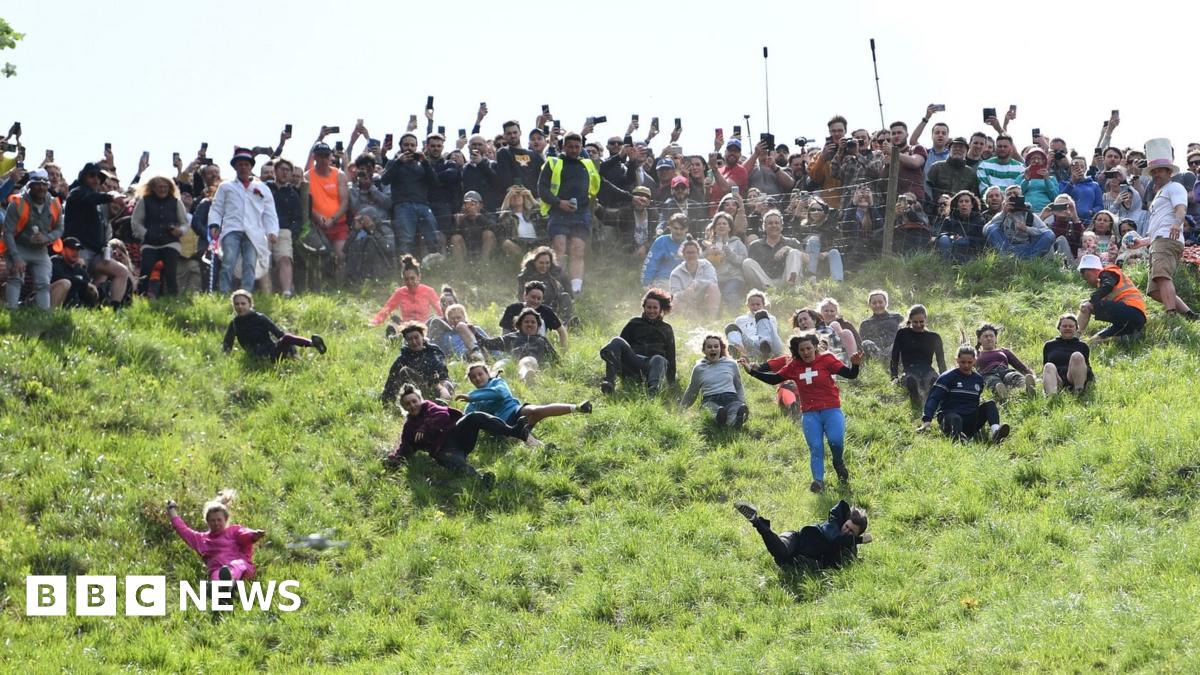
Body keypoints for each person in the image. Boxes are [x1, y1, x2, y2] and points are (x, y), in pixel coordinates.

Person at [741, 333, 864, 491]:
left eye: (808, 348)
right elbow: (774, 379)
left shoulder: (827, 359)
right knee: (816, 447)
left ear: (815, 347)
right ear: (796, 351)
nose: (806, 352)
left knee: (835, 441)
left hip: (831, 410)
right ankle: (818, 482)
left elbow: (850, 375)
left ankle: (838, 462)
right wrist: (751, 371)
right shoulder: (794, 366)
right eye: (802, 350)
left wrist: (855, 365)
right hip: (810, 413)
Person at [385, 383, 533, 486]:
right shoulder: (409, 428)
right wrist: (395, 458)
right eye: (408, 404)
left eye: (414, 401)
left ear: (419, 400)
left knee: (474, 416)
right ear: (404, 408)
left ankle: (514, 431)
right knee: (451, 460)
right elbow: (405, 446)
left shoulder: (430, 407)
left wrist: (425, 428)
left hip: (458, 435)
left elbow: (442, 414)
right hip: (443, 449)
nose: (412, 405)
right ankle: (481, 480)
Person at [1125, 139, 1197, 318]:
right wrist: (1141, 242)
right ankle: (1189, 314)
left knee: (1162, 277)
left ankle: (1170, 314)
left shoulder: (1175, 186)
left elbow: (1181, 208)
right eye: (1154, 171)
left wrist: (1177, 223)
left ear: (1169, 171)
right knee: (1155, 290)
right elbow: (1158, 226)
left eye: (1160, 170)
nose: (1156, 174)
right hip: (1159, 239)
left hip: (1167, 239)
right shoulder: (1160, 193)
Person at [460, 362, 589, 444]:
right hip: (501, 427)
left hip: (515, 411)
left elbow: (500, 393)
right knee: (523, 439)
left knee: (535, 410)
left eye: (480, 374)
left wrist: (472, 397)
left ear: (487, 374)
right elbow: (467, 422)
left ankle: (577, 407)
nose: (477, 378)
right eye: (473, 377)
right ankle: (538, 446)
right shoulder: (470, 403)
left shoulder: (497, 383)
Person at [209, 148, 280, 293]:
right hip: (231, 229)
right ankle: (224, 293)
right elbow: (216, 208)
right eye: (240, 164)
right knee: (228, 261)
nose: (243, 167)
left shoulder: (262, 188)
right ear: (235, 166)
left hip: (254, 232)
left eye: (246, 164)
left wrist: (272, 230)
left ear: (251, 167)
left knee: (250, 263)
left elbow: (269, 212)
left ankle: (246, 295)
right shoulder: (225, 186)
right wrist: (214, 224)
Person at [538, 132, 600, 295]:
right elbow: (542, 189)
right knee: (559, 247)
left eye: (577, 147)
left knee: (577, 249)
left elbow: (599, 186)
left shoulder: (587, 164)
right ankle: (555, 286)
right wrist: (559, 203)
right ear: (563, 147)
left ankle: (576, 290)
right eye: (570, 147)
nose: (574, 150)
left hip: (581, 213)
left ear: (581, 147)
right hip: (558, 212)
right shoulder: (553, 162)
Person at [733, 499, 871, 570]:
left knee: (783, 560)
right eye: (847, 526)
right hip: (795, 539)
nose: (846, 531)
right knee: (782, 551)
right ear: (844, 521)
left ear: (856, 534)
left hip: (802, 558)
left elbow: (839, 566)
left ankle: (757, 521)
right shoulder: (834, 523)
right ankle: (755, 520)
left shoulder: (849, 547)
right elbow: (835, 539)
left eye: (851, 531)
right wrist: (858, 540)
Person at [63, 162, 131, 305]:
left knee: (121, 272)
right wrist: (111, 197)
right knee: (78, 283)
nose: (96, 179)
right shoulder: (76, 193)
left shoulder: (98, 202)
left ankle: (114, 308)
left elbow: (109, 215)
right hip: (78, 251)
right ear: (83, 177)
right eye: (92, 175)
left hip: (96, 252)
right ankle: (76, 307)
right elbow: (90, 198)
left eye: (99, 177)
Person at [917, 346, 1011, 443]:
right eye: (963, 362)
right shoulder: (947, 377)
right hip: (950, 418)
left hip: (970, 419)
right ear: (957, 360)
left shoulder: (978, 379)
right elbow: (934, 398)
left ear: (975, 361)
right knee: (956, 418)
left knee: (990, 404)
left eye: (969, 362)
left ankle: (996, 433)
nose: (966, 365)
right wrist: (927, 420)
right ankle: (958, 439)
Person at [166, 489, 265, 581]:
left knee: (237, 565)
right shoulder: (202, 539)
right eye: (212, 520)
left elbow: (244, 535)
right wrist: (171, 510)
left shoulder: (234, 531)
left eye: (219, 520)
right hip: (218, 570)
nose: (216, 523)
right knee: (216, 574)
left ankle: (228, 581)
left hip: (242, 569)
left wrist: (254, 535)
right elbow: (182, 529)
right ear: (207, 522)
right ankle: (222, 588)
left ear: (225, 520)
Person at [4, 169, 63, 310]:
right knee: (15, 278)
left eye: (44, 184)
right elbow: (8, 232)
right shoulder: (17, 203)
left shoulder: (55, 204)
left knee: (43, 282)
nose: (41, 187)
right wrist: (16, 258)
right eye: (37, 184)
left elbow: (60, 229)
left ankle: (43, 314)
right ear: (30, 185)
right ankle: (11, 312)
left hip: (40, 250)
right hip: (19, 246)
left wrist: (46, 237)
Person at [600, 288, 676, 396]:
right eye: (649, 307)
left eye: (655, 308)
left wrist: (672, 382)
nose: (651, 311)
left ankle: (653, 392)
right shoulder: (634, 323)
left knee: (659, 359)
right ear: (644, 307)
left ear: (660, 309)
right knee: (617, 341)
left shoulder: (666, 328)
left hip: (654, 366)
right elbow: (622, 346)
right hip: (635, 361)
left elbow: (671, 356)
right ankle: (609, 382)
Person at [222, 289, 326, 360]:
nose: (240, 306)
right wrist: (224, 359)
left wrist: (293, 353)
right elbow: (227, 344)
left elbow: (279, 334)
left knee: (287, 337)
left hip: (271, 353)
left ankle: (314, 344)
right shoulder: (234, 323)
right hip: (254, 356)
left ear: (250, 304)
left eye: (243, 303)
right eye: (237, 304)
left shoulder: (260, 318)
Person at [381, 133, 440, 256]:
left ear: (417, 146)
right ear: (401, 146)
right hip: (403, 206)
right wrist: (398, 162)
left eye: (413, 145)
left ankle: (436, 267)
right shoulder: (393, 163)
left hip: (423, 205)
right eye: (406, 144)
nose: (409, 148)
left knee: (433, 237)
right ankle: (406, 270)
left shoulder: (422, 162)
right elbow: (384, 180)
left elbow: (435, 182)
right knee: (406, 240)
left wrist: (425, 163)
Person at [131, 175, 189, 298]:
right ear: (153, 188)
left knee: (170, 272)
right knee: (146, 269)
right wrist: (145, 233)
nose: (163, 190)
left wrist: (180, 231)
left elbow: (185, 222)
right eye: (160, 187)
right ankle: (140, 297)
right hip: (150, 243)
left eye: (165, 187)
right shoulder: (145, 201)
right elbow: (136, 221)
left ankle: (172, 300)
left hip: (170, 242)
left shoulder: (175, 202)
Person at [679, 334, 748, 427]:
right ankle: (720, 418)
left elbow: (738, 386)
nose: (713, 349)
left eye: (716, 346)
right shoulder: (699, 368)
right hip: (710, 400)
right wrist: (681, 409)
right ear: (704, 350)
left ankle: (736, 419)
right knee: (714, 411)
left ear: (721, 349)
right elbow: (692, 391)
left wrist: (742, 401)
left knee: (734, 409)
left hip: (730, 397)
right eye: (709, 347)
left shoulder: (731, 364)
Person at [479, 307, 560, 384]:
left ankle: (527, 379)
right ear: (520, 324)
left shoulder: (542, 340)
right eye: (526, 322)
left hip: (532, 363)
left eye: (533, 322)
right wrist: (474, 332)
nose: (529, 324)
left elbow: (556, 360)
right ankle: (491, 380)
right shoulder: (512, 337)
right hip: (512, 362)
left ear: (538, 326)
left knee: (527, 360)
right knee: (501, 363)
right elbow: (488, 343)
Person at [1076, 254, 1147, 341]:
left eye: (1087, 277)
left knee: (1085, 306)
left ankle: (1072, 337)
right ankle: (1129, 336)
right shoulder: (1110, 283)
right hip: (1137, 318)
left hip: (1130, 310)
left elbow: (1108, 286)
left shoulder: (1107, 273)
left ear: (1095, 270)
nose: (1088, 281)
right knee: (1094, 341)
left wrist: (1091, 301)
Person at [306, 143, 351, 278]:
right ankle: (321, 287)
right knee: (320, 258)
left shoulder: (339, 174)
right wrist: (319, 218)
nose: (323, 159)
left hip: (338, 224)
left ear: (331, 156)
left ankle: (340, 288)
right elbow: (307, 203)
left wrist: (332, 219)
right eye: (320, 156)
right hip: (317, 225)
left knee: (341, 256)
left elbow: (345, 202)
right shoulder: (307, 177)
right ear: (314, 157)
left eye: (326, 155)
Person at [381, 321, 454, 404]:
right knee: (404, 371)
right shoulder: (403, 358)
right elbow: (391, 382)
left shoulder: (434, 352)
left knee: (447, 384)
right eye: (410, 339)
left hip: (439, 386)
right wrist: (386, 401)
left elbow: (443, 374)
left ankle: (442, 405)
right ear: (406, 341)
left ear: (422, 336)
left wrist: (442, 390)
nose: (414, 342)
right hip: (419, 392)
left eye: (416, 337)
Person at [890, 304, 946, 408]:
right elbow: (895, 356)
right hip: (909, 370)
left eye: (921, 322)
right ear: (909, 320)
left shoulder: (934, 337)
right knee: (911, 381)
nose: (918, 325)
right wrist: (894, 376)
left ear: (926, 320)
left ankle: (932, 401)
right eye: (915, 322)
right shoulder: (902, 333)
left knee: (934, 381)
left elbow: (941, 361)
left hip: (927, 370)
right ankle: (916, 398)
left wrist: (945, 378)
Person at [369, 254, 442, 326]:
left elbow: (440, 309)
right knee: (394, 321)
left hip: (425, 328)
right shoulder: (400, 293)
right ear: (403, 279)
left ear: (419, 277)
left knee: (434, 320)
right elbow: (387, 309)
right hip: (407, 328)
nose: (410, 282)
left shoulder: (429, 291)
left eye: (412, 278)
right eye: (406, 279)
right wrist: (375, 322)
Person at [498, 280, 568, 352]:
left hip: (538, 348)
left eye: (539, 299)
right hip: (515, 347)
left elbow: (562, 331)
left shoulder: (547, 312)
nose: (535, 301)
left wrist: (563, 352)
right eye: (533, 297)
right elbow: (505, 333)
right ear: (525, 296)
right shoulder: (512, 309)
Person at [742, 210, 803, 289]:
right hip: (765, 282)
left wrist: (787, 249)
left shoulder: (792, 242)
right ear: (764, 227)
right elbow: (752, 271)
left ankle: (790, 286)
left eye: (777, 223)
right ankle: (771, 291)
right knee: (747, 262)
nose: (774, 225)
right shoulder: (755, 245)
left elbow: (808, 260)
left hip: (785, 279)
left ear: (781, 226)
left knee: (794, 252)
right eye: (770, 223)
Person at [974, 323, 1035, 400]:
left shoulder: (1004, 351)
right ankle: (1002, 394)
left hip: (1005, 371)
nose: (989, 338)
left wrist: (1031, 375)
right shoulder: (975, 355)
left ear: (995, 338)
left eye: (991, 336)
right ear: (979, 339)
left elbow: (1019, 365)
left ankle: (1027, 388)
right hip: (988, 374)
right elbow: (966, 367)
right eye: (985, 336)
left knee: (1014, 376)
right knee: (994, 382)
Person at [516, 246, 573, 325]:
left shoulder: (556, 273)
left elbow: (569, 291)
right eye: (541, 263)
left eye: (547, 263)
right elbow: (521, 297)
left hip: (554, 305)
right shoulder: (526, 276)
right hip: (533, 306)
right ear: (534, 262)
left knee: (565, 296)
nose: (544, 266)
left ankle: (565, 323)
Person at [702, 212, 749, 309]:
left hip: (733, 277)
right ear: (714, 228)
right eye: (718, 224)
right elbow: (699, 261)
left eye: (724, 224)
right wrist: (707, 253)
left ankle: (733, 316)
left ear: (729, 228)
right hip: (715, 278)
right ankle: (713, 319)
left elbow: (744, 261)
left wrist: (730, 254)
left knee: (729, 292)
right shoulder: (709, 244)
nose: (721, 226)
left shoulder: (737, 242)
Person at [724, 288, 784, 360]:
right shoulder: (740, 320)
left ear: (763, 305)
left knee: (761, 314)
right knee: (731, 327)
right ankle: (738, 350)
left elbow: (774, 335)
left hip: (771, 346)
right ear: (748, 305)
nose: (755, 307)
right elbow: (737, 335)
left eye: (758, 304)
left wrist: (762, 316)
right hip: (751, 347)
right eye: (752, 304)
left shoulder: (771, 318)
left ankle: (765, 346)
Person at [669, 238, 721, 319]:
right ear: (683, 254)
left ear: (698, 253)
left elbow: (713, 281)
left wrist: (696, 283)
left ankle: (712, 319)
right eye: (688, 253)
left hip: (704, 299)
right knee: (674, 301)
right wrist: (685, 293)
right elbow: (674, 294)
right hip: (687, 302)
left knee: (713, 287)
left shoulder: (706, 264)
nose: (691, 255)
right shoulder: (675, 273)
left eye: (693, 252)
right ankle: (686, 321)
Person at [1042, 314, 1092, 395]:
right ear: (1059, 328)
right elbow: (1045, 367)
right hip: (1058, 380)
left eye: (1071, 326)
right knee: (1048, 365)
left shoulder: (1083, 346)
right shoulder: (1049, 345)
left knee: (1077, 356)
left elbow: (1086, 367)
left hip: (1074, 378)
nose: (1067, 328)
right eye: (1064, 326)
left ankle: (1078, 391)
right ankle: (1051, 396)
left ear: (1076, 328)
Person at [934, 190, 985, 261]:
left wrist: (965, 239)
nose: (964, 204)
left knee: (961, 242)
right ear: (957, 205)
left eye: (967, 201)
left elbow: (981, 242)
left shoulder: (980, 221)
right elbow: (940, 235)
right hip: (950, 246)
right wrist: (952, 237)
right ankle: (944, 266)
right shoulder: (949, 220)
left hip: (971, 252)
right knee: (944, 239)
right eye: (961, 201)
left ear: (972, 205)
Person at [926, 137, 977, 207]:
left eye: (961, 147)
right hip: (936, 208)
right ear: (949, 150)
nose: (958, 149)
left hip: (960, 212)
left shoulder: (971, 173)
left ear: (966, 152)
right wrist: (938, 198)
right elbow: (927, 188)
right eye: (955, 147)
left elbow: (973, 196)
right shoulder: (936, 167)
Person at [641, 213, 688, 288]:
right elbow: (651, 263)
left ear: (687, 229)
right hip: (663, 280)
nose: (678, 232)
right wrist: (646, 283)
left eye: (681, 229)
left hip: (684, 282)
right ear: (670, 227)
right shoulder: (661, 241)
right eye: (675, 228)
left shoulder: (690, 244)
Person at [858, 289, 902, 359]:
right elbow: (861, 342)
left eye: (880, 302)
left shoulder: (896, 317)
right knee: (866, 343)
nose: (877, 305)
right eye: (874, 303)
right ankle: (882, 360)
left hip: (894, 349)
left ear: (886, 303)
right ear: (870, 305)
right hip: (875, 352)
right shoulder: (865, 323)